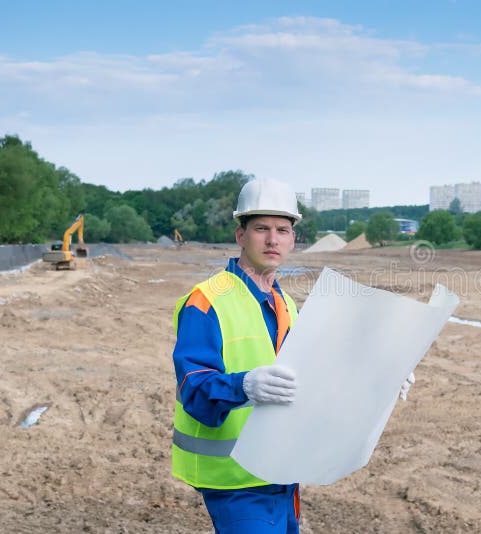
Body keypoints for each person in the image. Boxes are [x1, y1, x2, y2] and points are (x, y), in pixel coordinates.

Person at [171, 177, 416, 533]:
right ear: (241, 235)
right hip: (235, 484)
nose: (273, 240)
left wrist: (383, 377)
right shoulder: (207, 300)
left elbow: (317, 379)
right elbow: (194, 389)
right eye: (261, 229)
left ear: (293, 239)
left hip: (282, 475)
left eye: (282, 230)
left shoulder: (286, 304)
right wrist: (245, 386)